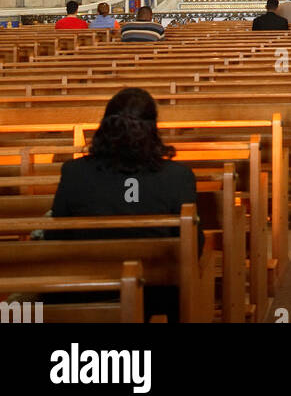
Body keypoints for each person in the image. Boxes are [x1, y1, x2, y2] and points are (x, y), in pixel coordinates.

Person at [50, 88, 198, 322]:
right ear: (152, 129)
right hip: (156, 292)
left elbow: (55, 237)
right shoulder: (178, 176)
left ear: (105, 127)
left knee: (21, 302)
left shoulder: (74, 172)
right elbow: (193, 245)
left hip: (84, 288)